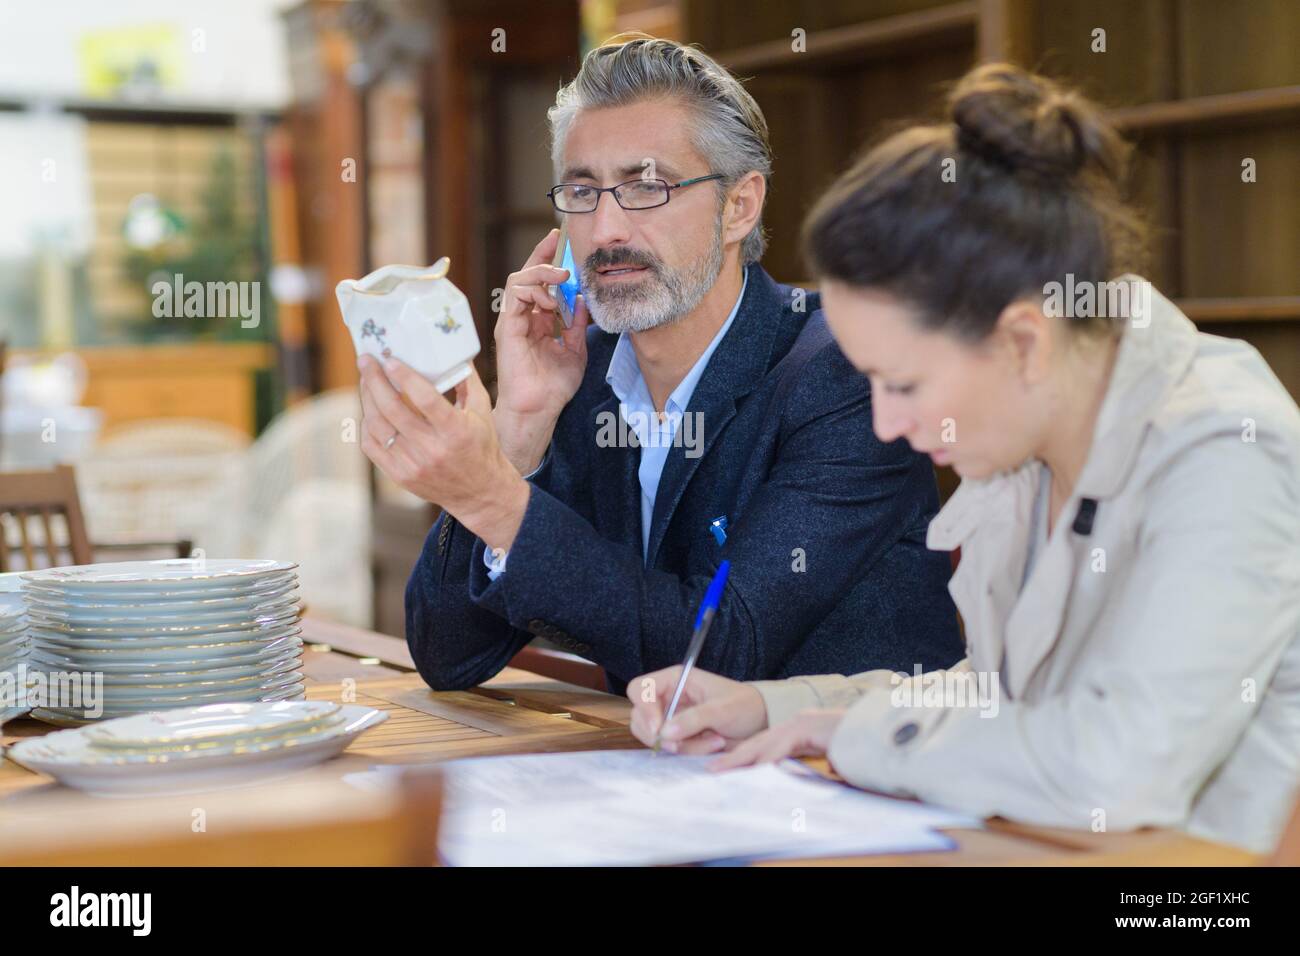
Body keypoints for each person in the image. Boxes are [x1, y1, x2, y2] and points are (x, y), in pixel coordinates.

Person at [626, 63, 1300, 854]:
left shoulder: (1225, 452)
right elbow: (995, 690)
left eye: (903, 381)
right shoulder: (1032, 432)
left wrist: (856, 741)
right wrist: (781, 709)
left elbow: (1117, 767)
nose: (886, 420)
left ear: (1022, 340)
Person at [356, 36, 963, 695]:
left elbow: (720, 649)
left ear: (740, 206)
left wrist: (491, 498)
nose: (608, 228)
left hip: (840, 780)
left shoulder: (845, 373)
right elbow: (448, 655)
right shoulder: (579, 374)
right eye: (583, 192)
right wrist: (520, 429)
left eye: (646, 187)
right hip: (653, 777)